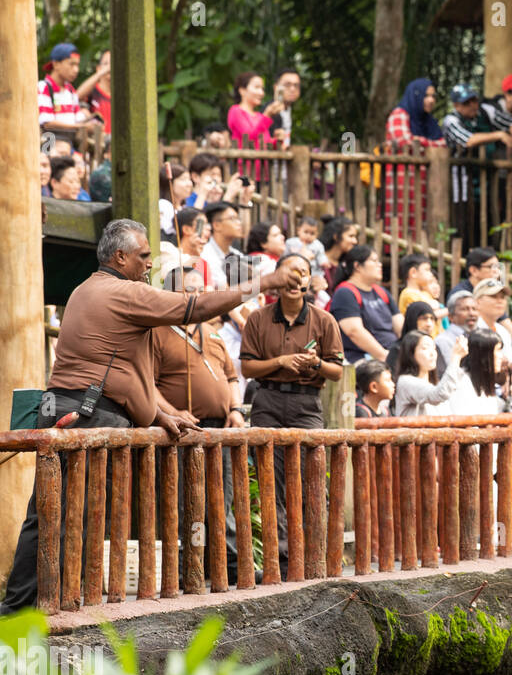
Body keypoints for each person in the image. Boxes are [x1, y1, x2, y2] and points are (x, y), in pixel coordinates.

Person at [0, 220, 305, 614]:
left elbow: (119, 371)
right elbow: (191, 308)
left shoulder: (86, 289)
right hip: (86, 415)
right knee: (66, 514)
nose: (149, 264)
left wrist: (159, 414)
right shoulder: (123, 292)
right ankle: (31, 609)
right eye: (144, 256)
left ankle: (32, 605)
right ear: (120, 257)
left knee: (59, 512)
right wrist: (264, 282)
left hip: (75, 409)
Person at [239, 255, 345, 575]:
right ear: (277, 278)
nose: (296, 279)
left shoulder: (324, 321)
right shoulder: (257, 319)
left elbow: (337, 371)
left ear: (310, 281)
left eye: (303, 273)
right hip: (268, 400)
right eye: (290, 272)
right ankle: (279, 560)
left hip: (306, 403)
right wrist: (280, 362)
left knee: (311, 479)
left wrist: (314, 364)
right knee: (273, 482)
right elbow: (247, 368)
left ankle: (314, 557)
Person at [150, 315, 243, 583]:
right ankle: (184, 567)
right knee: (182, 501)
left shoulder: (212, 332)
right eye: (186, 289)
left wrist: (236, 409)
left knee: (220, 498)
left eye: (197, 289)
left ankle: (228, 565)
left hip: (218, 429)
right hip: (178, 431)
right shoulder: (158, 332)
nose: (193, 295)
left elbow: (232, 377)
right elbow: (148, 384)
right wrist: (173, 412)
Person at [385, 78, 447, 238]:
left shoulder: (430, 122)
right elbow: (406, 141)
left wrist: (422, 142)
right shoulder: (399, 114)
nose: (431, 100)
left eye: (433, 96)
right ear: (416, 95)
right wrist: (427, 143)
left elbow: (443, 144)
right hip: (402, 177)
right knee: (400, 216)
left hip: (424, 180)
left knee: (421, 219)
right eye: (427, 96)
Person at [329, 245, 401, 363]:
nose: (380, 265)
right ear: (357, 266)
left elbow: (400, 325)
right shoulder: (345, 293)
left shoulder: (381, 292)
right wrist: (384, 356)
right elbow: (354, 331)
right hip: (364, 358)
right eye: (374, 261)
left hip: (392, 353)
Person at [393, 331, 468, 416]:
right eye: (425, 348)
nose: (432, 353)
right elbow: (439, 394)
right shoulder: (405, 381)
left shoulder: (436, 384)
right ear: (411, 353)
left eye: (434, 348)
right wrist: (456, 357)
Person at [226, 71, 284, 180]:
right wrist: (267, 115)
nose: (261, 93)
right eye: (257, 87)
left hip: (263, 175)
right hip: (244, 174)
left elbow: (263, 143)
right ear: (242, 90)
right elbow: (248, 136)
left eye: (262, 89)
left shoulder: (258, 116)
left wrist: (277, 140)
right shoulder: (235, 111)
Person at [38, 43, 102, 140]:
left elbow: (77, 119)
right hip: (49, 142)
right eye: (71, 64)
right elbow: (47, 123)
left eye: (77, 65)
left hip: (69, 142)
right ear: (56, 64)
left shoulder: (70, 90)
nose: (76, 70)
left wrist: (88, 118)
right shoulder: (43, 87)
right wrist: (80, 127)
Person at [441, 84, 512, 155]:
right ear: (456, 106)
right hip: (460, 169)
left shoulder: (486, 110)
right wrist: (499, 135)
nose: (472, 105)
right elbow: (469, 141)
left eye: (474, 100)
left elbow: (510, 123)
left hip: (488, 167)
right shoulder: (451, 121)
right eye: (466, 103)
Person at [473, 277, 512, 389]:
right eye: (493, 296)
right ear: (477, 301)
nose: (499, 301)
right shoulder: (471, 330)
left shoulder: (503, 331)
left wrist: (509, 371)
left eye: (502, 297)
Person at [449, 329, 508, 415]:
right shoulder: (462, 384)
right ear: (484, 355)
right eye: (498, 350)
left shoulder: (484, 382)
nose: (501, 356)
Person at [435, 291, 479, 378]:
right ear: (451, 316)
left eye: (474, 309)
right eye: (465, 309)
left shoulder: (480, 336)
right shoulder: (443, 341)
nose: (471, 313)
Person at [387, 301, 438, 375]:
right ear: (412, 319)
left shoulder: (433, 348)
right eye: (424, 318)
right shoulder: (398, 350)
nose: (429, 324)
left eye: (432, 319)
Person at [319, 216, 358, 298]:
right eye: (351, 236)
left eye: (355, 237)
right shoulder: (319, 261)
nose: (355, 241)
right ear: (336, 237)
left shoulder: (346, 265)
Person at [397, 252, 445, 317]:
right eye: (427, 270)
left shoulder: (425, 293)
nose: (430, 274)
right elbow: (426, 315)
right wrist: (449, 311)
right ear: (413, 272)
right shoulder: (408, 294)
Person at [78, 49, 112, 135]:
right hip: (97, 144)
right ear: (98, 68)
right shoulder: (91, 91)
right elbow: (76, 96)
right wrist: (102, 72)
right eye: (106, 63)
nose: (110, 67)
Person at [158, 162, 193, 242]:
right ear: (169, 182)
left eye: (189, 179)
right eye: (183, 179)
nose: (189, 184)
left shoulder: (183, 207)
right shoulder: (164, 205)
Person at [267, 68, 301, 147]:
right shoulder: (270, 111)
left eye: (296, 85)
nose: (292, 89)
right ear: (276, 87)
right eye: (287, 85)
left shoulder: (288, 109)